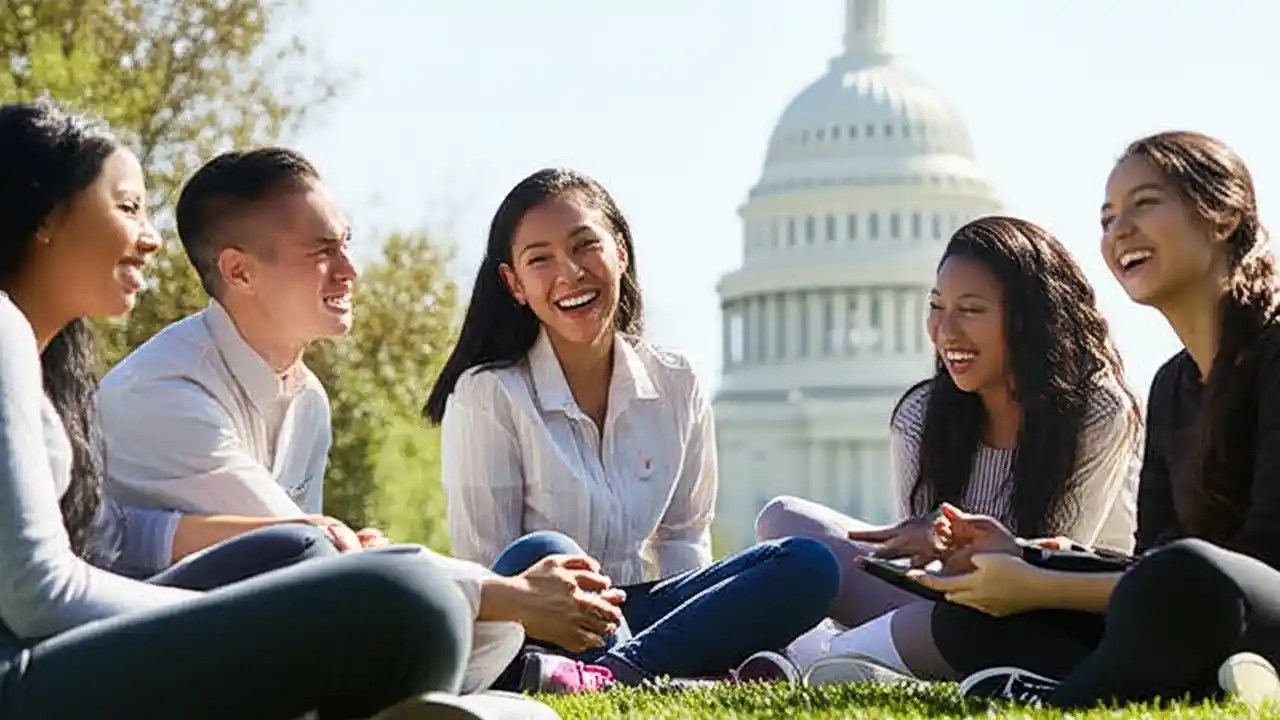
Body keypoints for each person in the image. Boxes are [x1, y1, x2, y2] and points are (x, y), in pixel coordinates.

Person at [0, 98, 487, 719]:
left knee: (302, 555)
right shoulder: (6, 332)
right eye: (127, 208)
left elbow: (109, 537)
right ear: (47, 216)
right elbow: (39, 595)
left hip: (51, 650)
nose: (150, 240)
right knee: (409, 598)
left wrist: (280, 571)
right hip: (17, 675)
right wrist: (272, 621)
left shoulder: (48, 362)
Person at [96, 147, 619, 697]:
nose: (349, 271)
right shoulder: (164, 394)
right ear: (239, 270)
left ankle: (566, 663)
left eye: (345, 244)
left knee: (540, 555)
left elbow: (311, 559)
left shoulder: (308, 400)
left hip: (272, 630)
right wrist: (508, 596)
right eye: (322, 251)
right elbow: (303, 559)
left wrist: (356, 548)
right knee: (446, 600)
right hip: (166, 658)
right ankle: (616, 664)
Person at [424, 167, 840, 686]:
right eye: (541, 260)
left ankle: (616, 670)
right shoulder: (489, 394)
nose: (570, 272)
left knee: (808, 564)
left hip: (637, 613)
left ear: (620, 250)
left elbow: (683, 541)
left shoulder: (676, 381)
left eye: (585, 246)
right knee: (547, 551)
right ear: (514, 285)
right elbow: (490, 567)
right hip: (539, 620)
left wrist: (698, 622)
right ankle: (660, 669)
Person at [916, 131, 1280, 710]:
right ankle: (1193, 681)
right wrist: (1029, 560)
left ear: (1222, 218)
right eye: (1108, 218)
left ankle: (1062, 701)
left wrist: (1041, 583)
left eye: (1144, 204)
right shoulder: (1170, 384)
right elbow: (1148, 561)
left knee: (1187, 573)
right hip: (1192, 611)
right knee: (970, 617)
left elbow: (1255, 563)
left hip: (1246, 600)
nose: (1119, 233)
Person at [754, 215, 1141, 682]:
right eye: (937, 306)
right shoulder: (921, 414)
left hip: (1041, 611)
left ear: (1027, 321)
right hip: (943, 601)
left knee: (958, 619)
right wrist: (921, 545)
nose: (946, 331)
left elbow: (1044, 565)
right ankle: (854, 651)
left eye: (972, 310)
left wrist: (950, 554)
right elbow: (918, 578)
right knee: (784, 520)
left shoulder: (1095, 410)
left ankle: (814, 656)